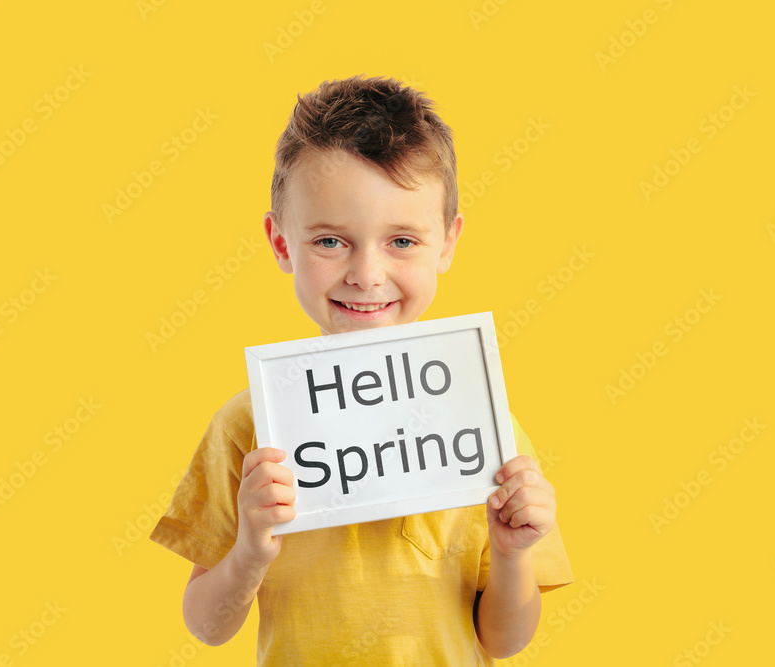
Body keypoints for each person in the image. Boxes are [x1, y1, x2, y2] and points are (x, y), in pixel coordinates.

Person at [149, 74, 573, 665]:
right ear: (281, 243)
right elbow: (207, 627)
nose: (367, 275)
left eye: (402, 241)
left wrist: (511, 553)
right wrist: (248, 552)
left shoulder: (483, 424)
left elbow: (505, 640)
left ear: (447, 243)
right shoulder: (247, 427)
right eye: (330, 242)